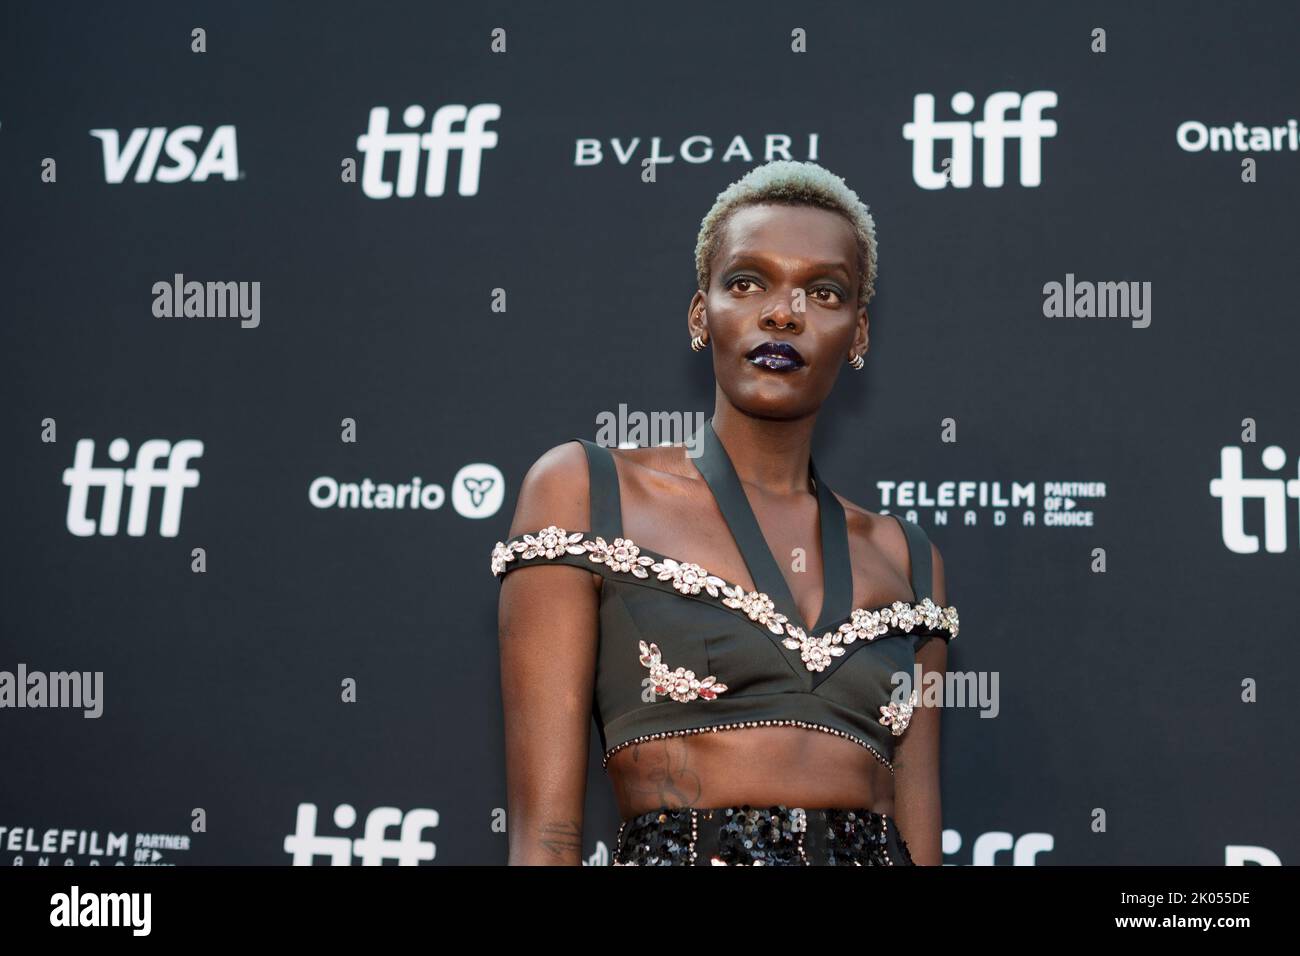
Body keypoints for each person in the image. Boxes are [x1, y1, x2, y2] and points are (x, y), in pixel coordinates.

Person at [491, 160, 958, 865]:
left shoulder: (907, 558)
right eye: (748, 282)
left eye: (822, 292)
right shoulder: (586, 491)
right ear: (700, 313)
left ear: (857, 334)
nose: (782, 313)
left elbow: (918, 843)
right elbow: (548, 835)